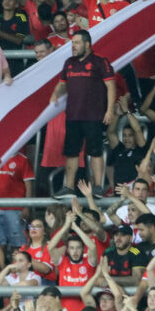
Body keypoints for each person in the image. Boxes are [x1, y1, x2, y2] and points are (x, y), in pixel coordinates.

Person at [50, 29, 116, 197]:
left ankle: (98, 186)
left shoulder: (100, 62)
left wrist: (109, 110)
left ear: (87, 44)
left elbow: (111, 86)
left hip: (94, 115)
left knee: (95, 151)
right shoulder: (68, 63)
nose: (73, 46)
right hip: (72, 115)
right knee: (71, 152)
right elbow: (62, 83)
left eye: (77, 43)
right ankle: (69, 187)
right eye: (72, 43)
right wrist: (55, 94)